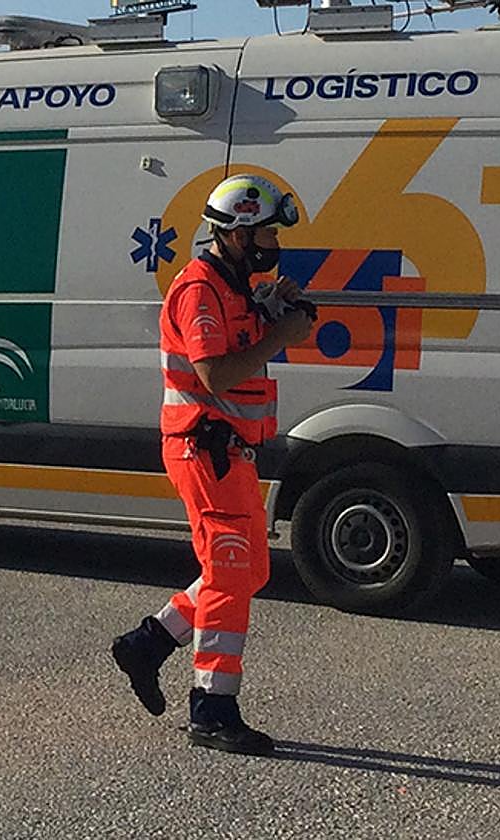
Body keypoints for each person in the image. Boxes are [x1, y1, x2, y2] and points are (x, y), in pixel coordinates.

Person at [112, 174, 315, 756]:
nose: (272, 243)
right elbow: (216, 375)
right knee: (230, 575)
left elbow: (239, 345)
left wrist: (275, 310)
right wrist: (280, 334)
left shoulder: (233, 287)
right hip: (205, 450)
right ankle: (212, 708)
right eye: (264, 233)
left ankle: (147, 643)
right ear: (235, 233)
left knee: (248, 573)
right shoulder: (199, 289)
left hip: (228, 452)